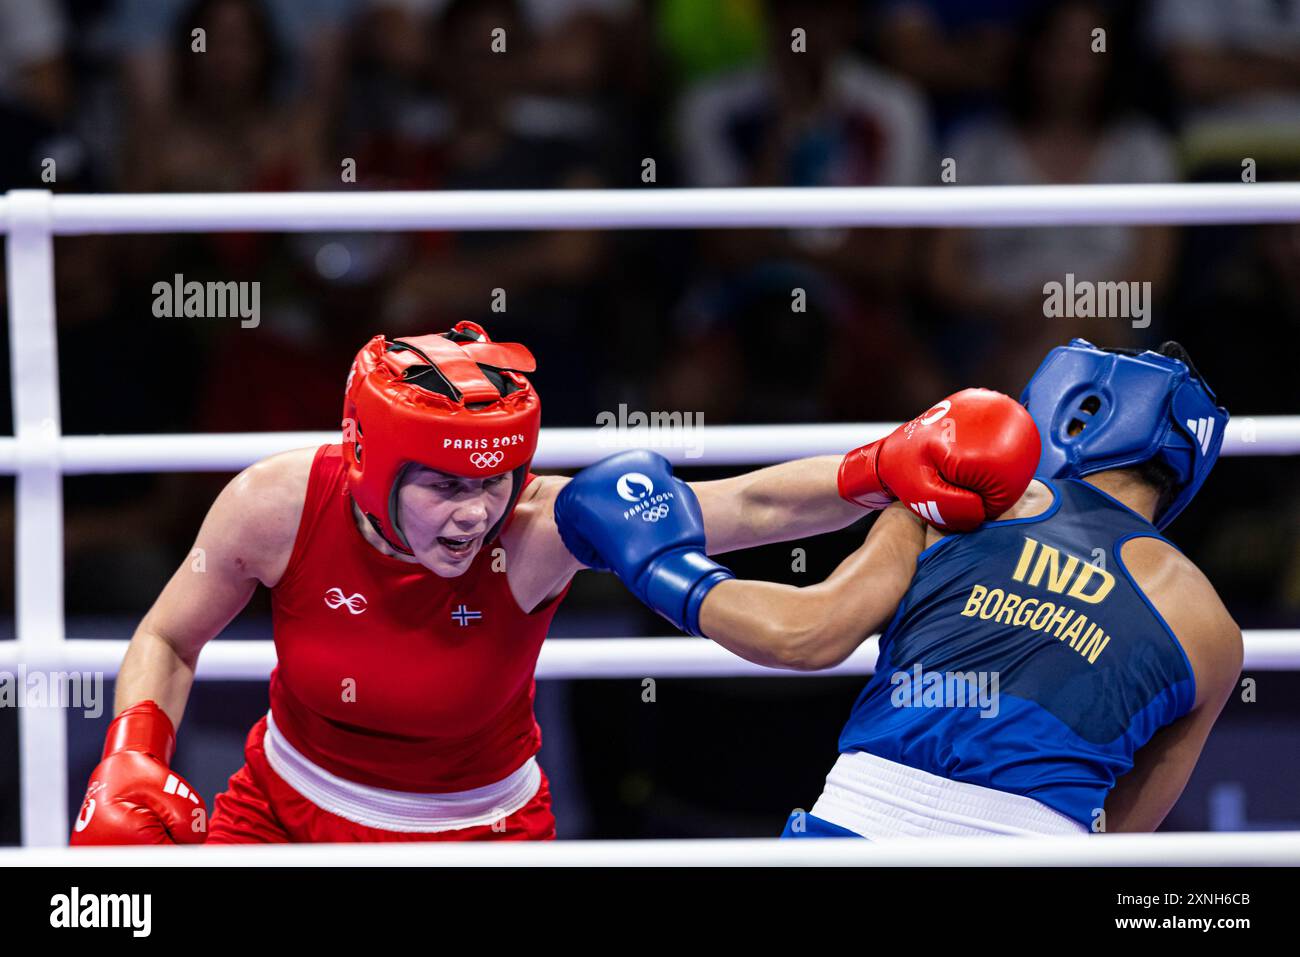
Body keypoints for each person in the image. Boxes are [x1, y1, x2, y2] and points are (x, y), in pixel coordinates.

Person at [68, 322, 1024, 844]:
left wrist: (884, 461)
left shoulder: (537, 530)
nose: (473, 513)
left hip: (477, 835)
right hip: (277, 812)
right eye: (443, 483)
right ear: (366, 460)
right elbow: (167, 637)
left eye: (493, 480)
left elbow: (748, 510)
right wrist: (133, 754)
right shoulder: (273, 506)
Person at [557, 339, 1242, 836]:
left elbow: (806, 632)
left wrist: (656, 563)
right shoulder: (1210, 629)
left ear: (1075, 407)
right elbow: (1116, 837)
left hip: (863, 831)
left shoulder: (963, 501)